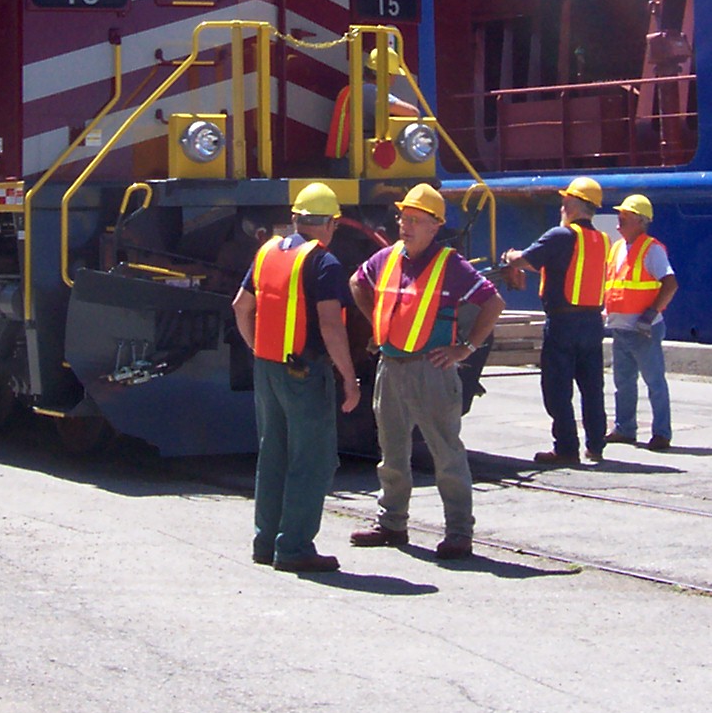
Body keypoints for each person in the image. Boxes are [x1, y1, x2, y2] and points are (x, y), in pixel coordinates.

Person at [347, 183, 504, 560]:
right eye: (404, 217)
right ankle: (392, 524)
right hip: (391, 366)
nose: (406, 225)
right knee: (391, 451)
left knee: (446, 452)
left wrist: (464, 348)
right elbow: (357, 283)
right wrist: (379, 328)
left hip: (430, 371)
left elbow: (493, 302)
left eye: (416, 220)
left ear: (436, 227)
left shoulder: (450, 265)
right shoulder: (386, 258)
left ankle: (458, 533)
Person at [231, 181, 361, 572]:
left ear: (295, 219)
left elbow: (241, 306)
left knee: (273, 454)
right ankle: (295, 548)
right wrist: (349, 379)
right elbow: (331, 326)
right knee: (312, 460)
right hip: (303, 373)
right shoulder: (323, 262)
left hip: (267, 369)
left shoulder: (267, 251)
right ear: (332, 224)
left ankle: (265, 542)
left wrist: (257, 348)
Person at [497, 176, 610, 466]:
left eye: (564, 201)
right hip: (592, 323)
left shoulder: (562, 236)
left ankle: (566, 448)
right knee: (592, 386)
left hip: (563, 323)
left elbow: (526, 259)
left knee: (557, 388)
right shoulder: (604, 239)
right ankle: (596, 445)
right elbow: (573, 268)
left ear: (570, 203)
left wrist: (510, 256)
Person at [603, 193, 678, 449]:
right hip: (621, 327)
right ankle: (625, 429)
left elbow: (670, 283)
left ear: (640, 220)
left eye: (623, 217)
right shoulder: (617, 248)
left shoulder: (651, 249)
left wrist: (650, 315)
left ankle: (661, 433)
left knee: (654, 381)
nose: (618, 222)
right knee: (623, 383)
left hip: (643, 329)